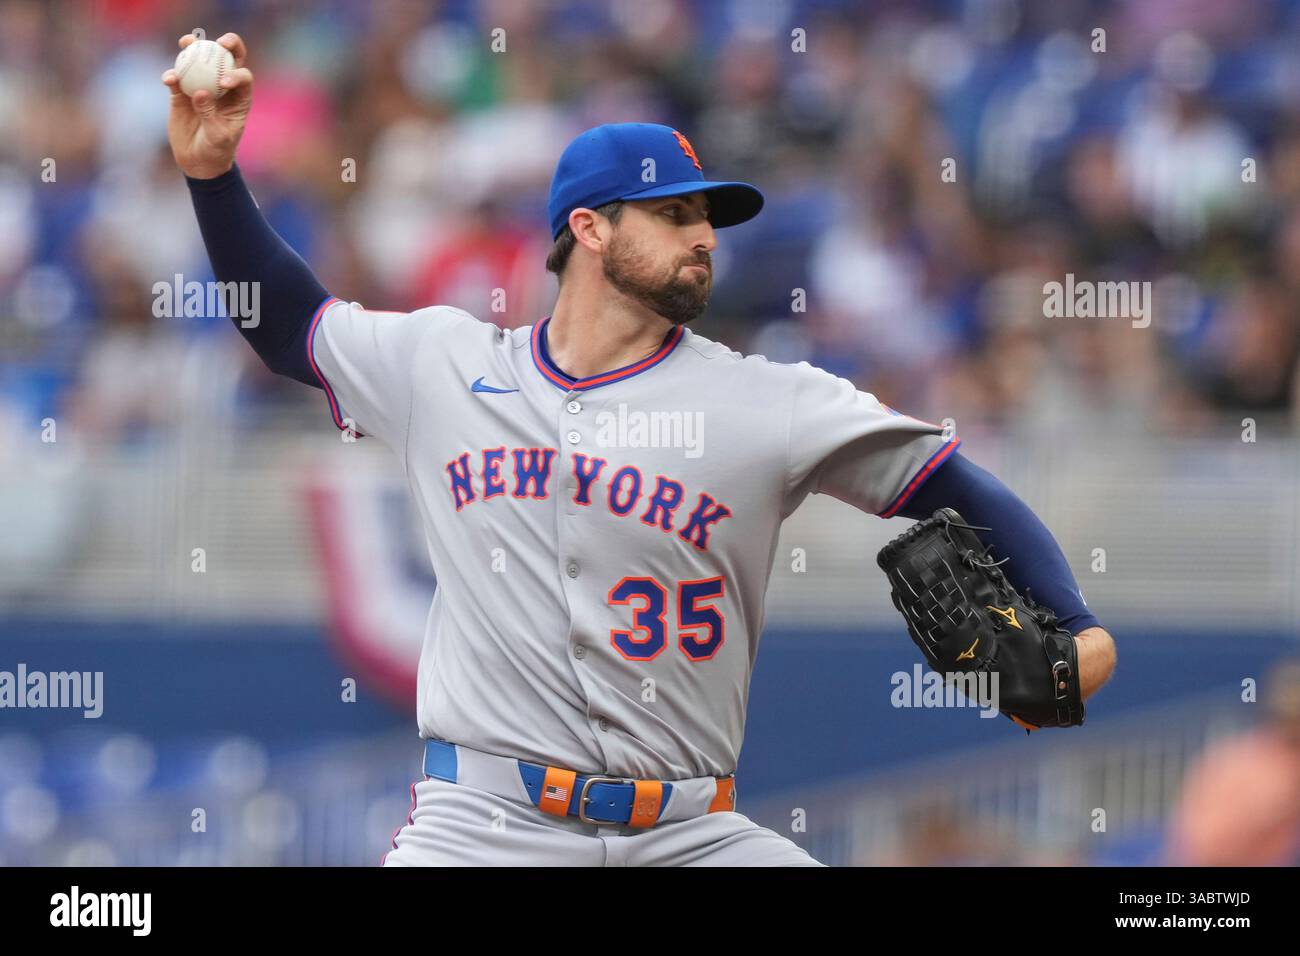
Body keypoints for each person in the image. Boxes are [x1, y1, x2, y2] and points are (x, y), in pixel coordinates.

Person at [164, 32, 1116, 866]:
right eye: (674, 214)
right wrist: (213, 176)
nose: (704, 236)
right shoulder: (443, 366)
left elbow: (953, 483)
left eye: (710, 218)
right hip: (487, 823)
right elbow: (287, 325)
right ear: (589, 228)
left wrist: (1077, 629)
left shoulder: (766, 401)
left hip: (693, 832)